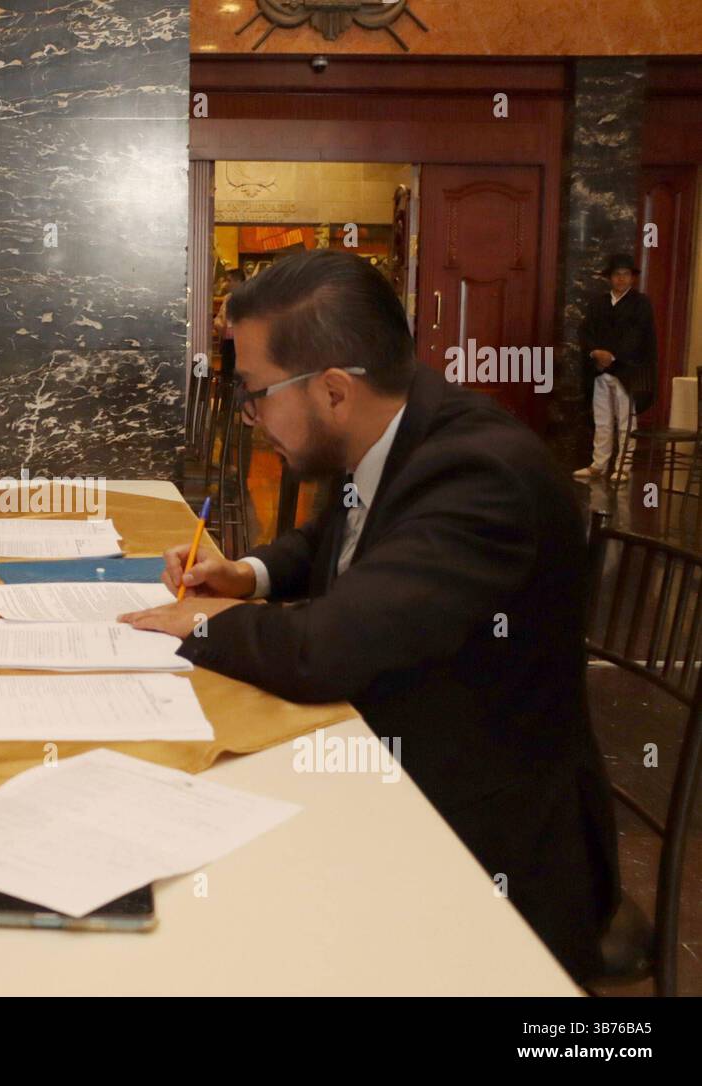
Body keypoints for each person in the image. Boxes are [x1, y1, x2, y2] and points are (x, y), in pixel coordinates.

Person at [121, 249, 619, 982]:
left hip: (483, 839)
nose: (252, 417)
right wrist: (247, 576)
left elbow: (328, 648)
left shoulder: (480, 475)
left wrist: (196, 625)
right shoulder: (400, 420)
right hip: (396, 747)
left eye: (256, 393)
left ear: (330, 390)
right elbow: (340, 535)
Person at [574, 253, 658, 484]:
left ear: (632, 278)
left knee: (625, 421)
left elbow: (638, 336)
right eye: (617, 274)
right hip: (600, 370)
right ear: (610, 278)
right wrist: (595, 353)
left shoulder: (640, 304)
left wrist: (612, 356)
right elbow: (585, 331)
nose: (621, 279)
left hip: (627, 371)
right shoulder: (598, 303)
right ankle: (599, 463)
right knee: (602, 419)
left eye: (626, 274)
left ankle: (623, 466)